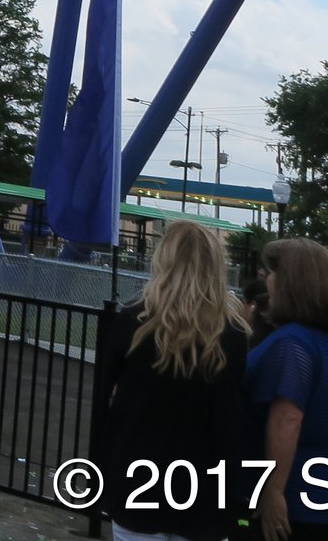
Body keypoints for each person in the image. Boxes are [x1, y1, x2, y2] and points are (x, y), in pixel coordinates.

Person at [95, 220, 251, 541]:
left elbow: (103, 400)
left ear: (164, 259)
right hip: (204, 487)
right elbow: (230, 418)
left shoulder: (134, 320)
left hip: (136, 477)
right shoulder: (232, 334)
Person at [248, 237, 328, 541]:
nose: (268, 281)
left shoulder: (294, 344)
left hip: (297, 505)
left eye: (273, 273)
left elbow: (287, 419)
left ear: (291, 283)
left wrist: (272, 490)